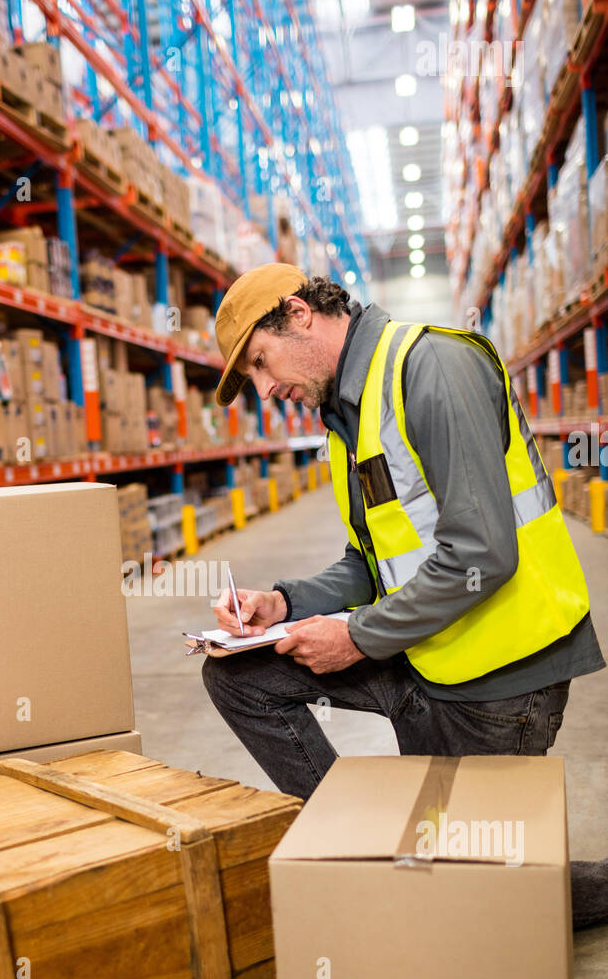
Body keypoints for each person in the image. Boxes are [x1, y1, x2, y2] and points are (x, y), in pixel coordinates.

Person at [201, 263, 607, 927]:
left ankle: (484, 875)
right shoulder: (345, 417)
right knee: (239, 675)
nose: (266, 389)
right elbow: (373, 563)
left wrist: (356, 638)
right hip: (426, 655)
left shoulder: (434, 368)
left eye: (260, 362)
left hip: (501, 679)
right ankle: (368, 849)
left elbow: (481, 555)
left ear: (299, 314)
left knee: (462, 905)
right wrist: (283, 602)